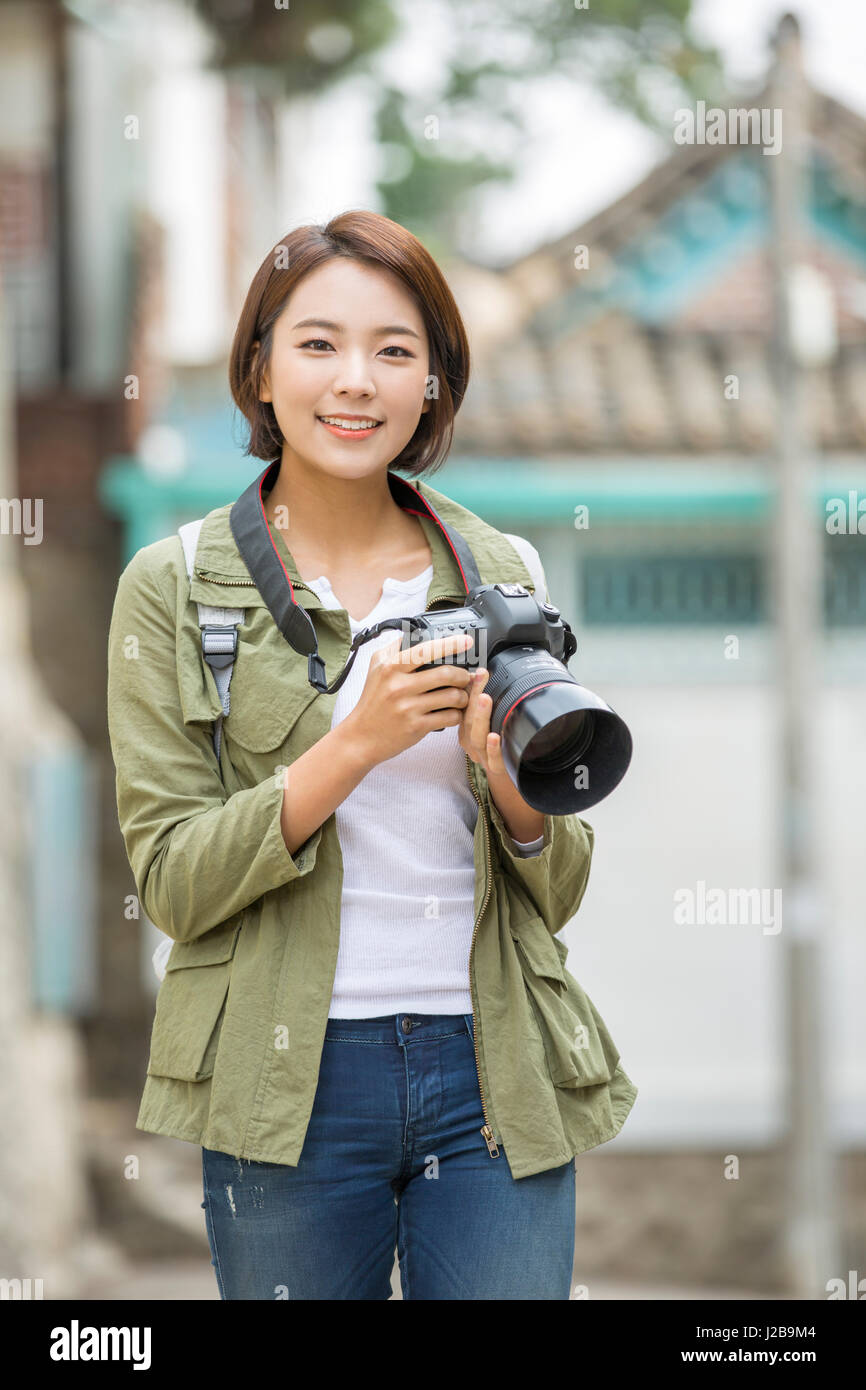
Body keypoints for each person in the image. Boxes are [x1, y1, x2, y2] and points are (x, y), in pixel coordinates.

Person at [107, 209, 637, 1301]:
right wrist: (351, 747)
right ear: (258, 370)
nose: (356, 380)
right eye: (317, 344)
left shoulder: (501, 568)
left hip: (491, 1063)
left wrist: (510, 787)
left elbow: (558, 884)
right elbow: (171, 882)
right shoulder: (174, 585)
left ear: (434, 384)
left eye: (395, 351)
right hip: (281, 1074)